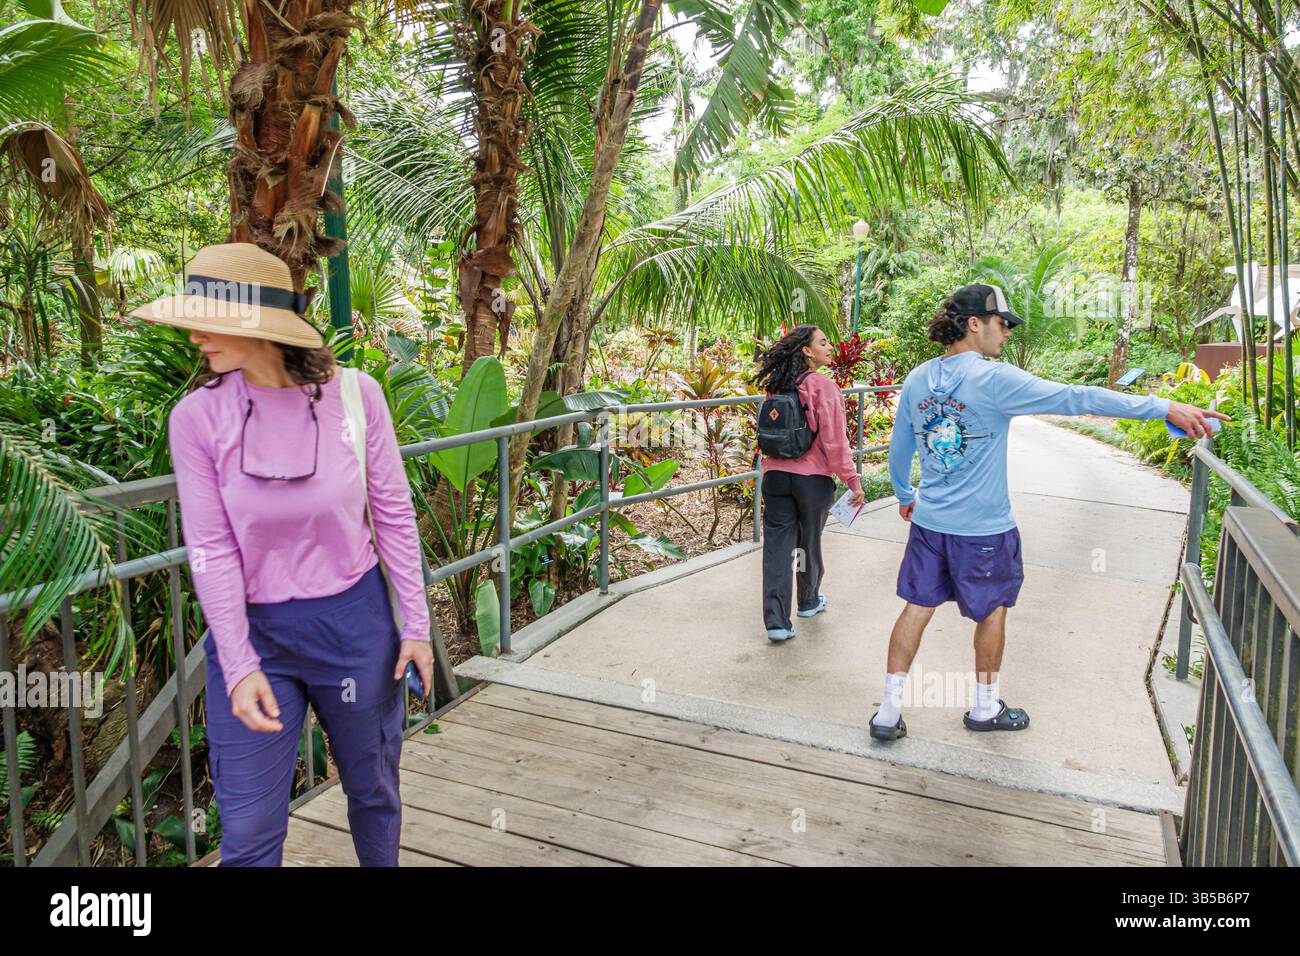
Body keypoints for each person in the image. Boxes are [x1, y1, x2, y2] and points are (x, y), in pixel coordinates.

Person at [129, 242, 434, 864]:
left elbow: (395, 516)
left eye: (205, 319)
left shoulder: (358, 396)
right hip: (253, 637)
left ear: (258, 327)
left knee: (372, 791)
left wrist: (418, 625)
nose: (193, 337)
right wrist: (238, 664)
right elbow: (210, 548)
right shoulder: (196, 417)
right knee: (247, 833)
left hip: (354, 625)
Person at [870, 284, 1228, 740]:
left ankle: (887, 712)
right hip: (984, 529)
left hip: (930, 523)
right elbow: (1077, 398)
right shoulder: (994, 379)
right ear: (974, 323)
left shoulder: (919, 377)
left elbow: (901, 445)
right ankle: (984, 709)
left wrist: (905, 494)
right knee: (993, 609)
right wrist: (1162, 406)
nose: (1006, 334)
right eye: (1002, 324)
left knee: (917, 606)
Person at [754, 325, 867, 641]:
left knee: (777, 548)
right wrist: (852, 481)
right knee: (809, 542)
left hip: (775, 477)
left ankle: (777, 622)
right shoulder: (823, 386)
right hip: (812, 481)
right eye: (823, 342)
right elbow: (835, 444)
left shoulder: (776, 386)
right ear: (806, 350)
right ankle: (808, 600)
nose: (830, 346)